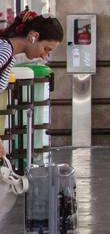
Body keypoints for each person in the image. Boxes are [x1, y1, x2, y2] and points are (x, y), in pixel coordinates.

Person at [0, 13, 64, 161]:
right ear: (33, 36)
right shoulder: (4, 52)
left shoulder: (6, 50)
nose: (44, 56)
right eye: (46, 49)